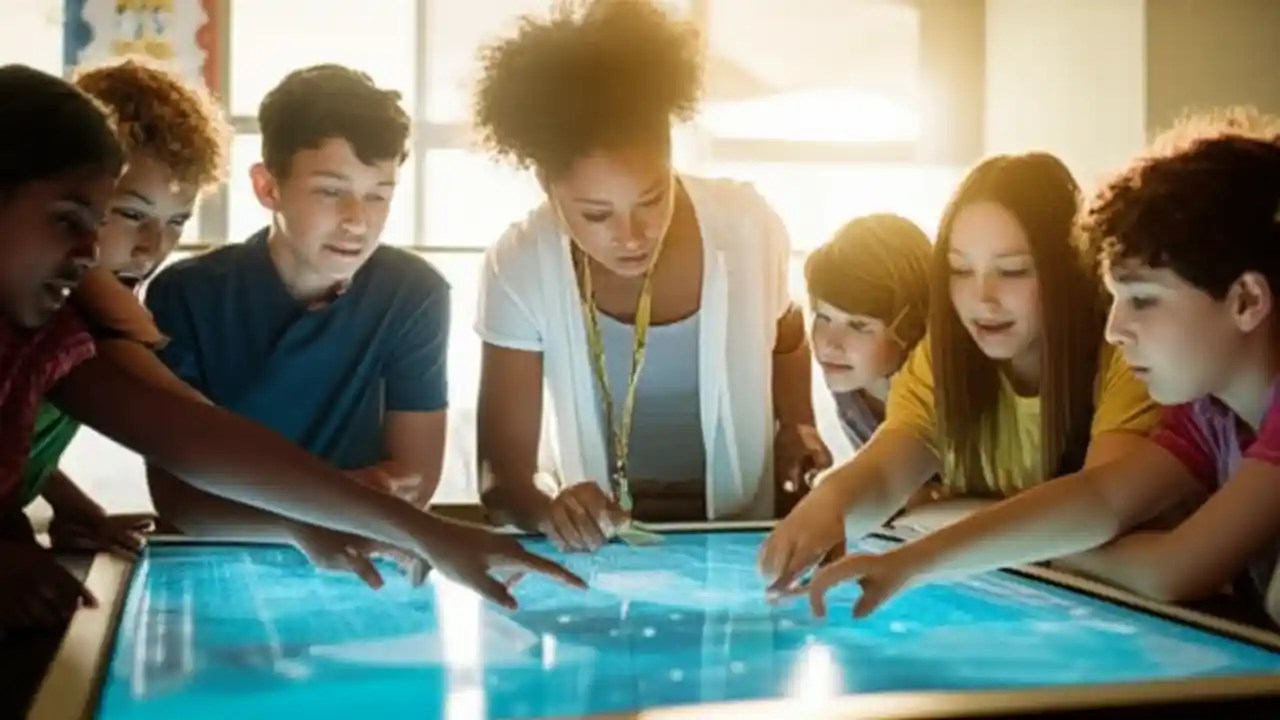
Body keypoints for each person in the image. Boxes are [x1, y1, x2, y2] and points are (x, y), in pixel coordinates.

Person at [0, 65, 582, 628]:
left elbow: (193, 434)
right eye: (75, 220)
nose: (95, 249)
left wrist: (54, 498)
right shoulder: (168, 298)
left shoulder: (63, 333)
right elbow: (189, 464)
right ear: (267, 187)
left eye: (177, 221)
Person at [793, 113, 1280, 621]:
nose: (1114, 329)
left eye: (1142, 300)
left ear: (1246, 300)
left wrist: (1039, 545)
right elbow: (1098, 500)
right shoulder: (1206, 415)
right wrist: (909, 563)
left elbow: (1170, 570)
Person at [473, 0, 830, 552]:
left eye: (652, 198)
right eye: (597, 214)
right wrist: (551, 511)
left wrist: (797, 424)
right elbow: (501, 474)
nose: (632, 236)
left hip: (738, 535)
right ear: (546, 184)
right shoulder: (518, 264)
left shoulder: (747, 224)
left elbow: (786, 330)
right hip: (604, 549)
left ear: (670, 155)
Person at [758, 152, 1162, 594]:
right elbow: (885, 472)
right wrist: (829, 504)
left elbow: (1098, 511)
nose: (982, 297)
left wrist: (937, 536)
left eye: (1012, 271)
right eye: (961, 270)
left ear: (1071, 268)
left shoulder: (1127, 355)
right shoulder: (943, 356)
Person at [143, 64, 449, 561]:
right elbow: (183, 500)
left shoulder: (413, 293)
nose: (357, 220)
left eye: (378, 195)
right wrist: (320, 509)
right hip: (220, 558)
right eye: (330, 191)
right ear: (268, 187)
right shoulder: (185, 295)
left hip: (364, 559)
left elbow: (413, 480)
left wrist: (286, 504)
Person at [22, 57, 230, 558]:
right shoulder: (47, 307)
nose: (152, 247)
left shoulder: (87, 311)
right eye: (132, 213)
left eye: (177, 222)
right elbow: (191, 430)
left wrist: (67, 500)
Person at [806, 214, 930, 450]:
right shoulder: (849, 377)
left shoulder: (941, 403)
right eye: (823, 317)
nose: (830, 344)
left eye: (858, 325)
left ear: (911, 326)